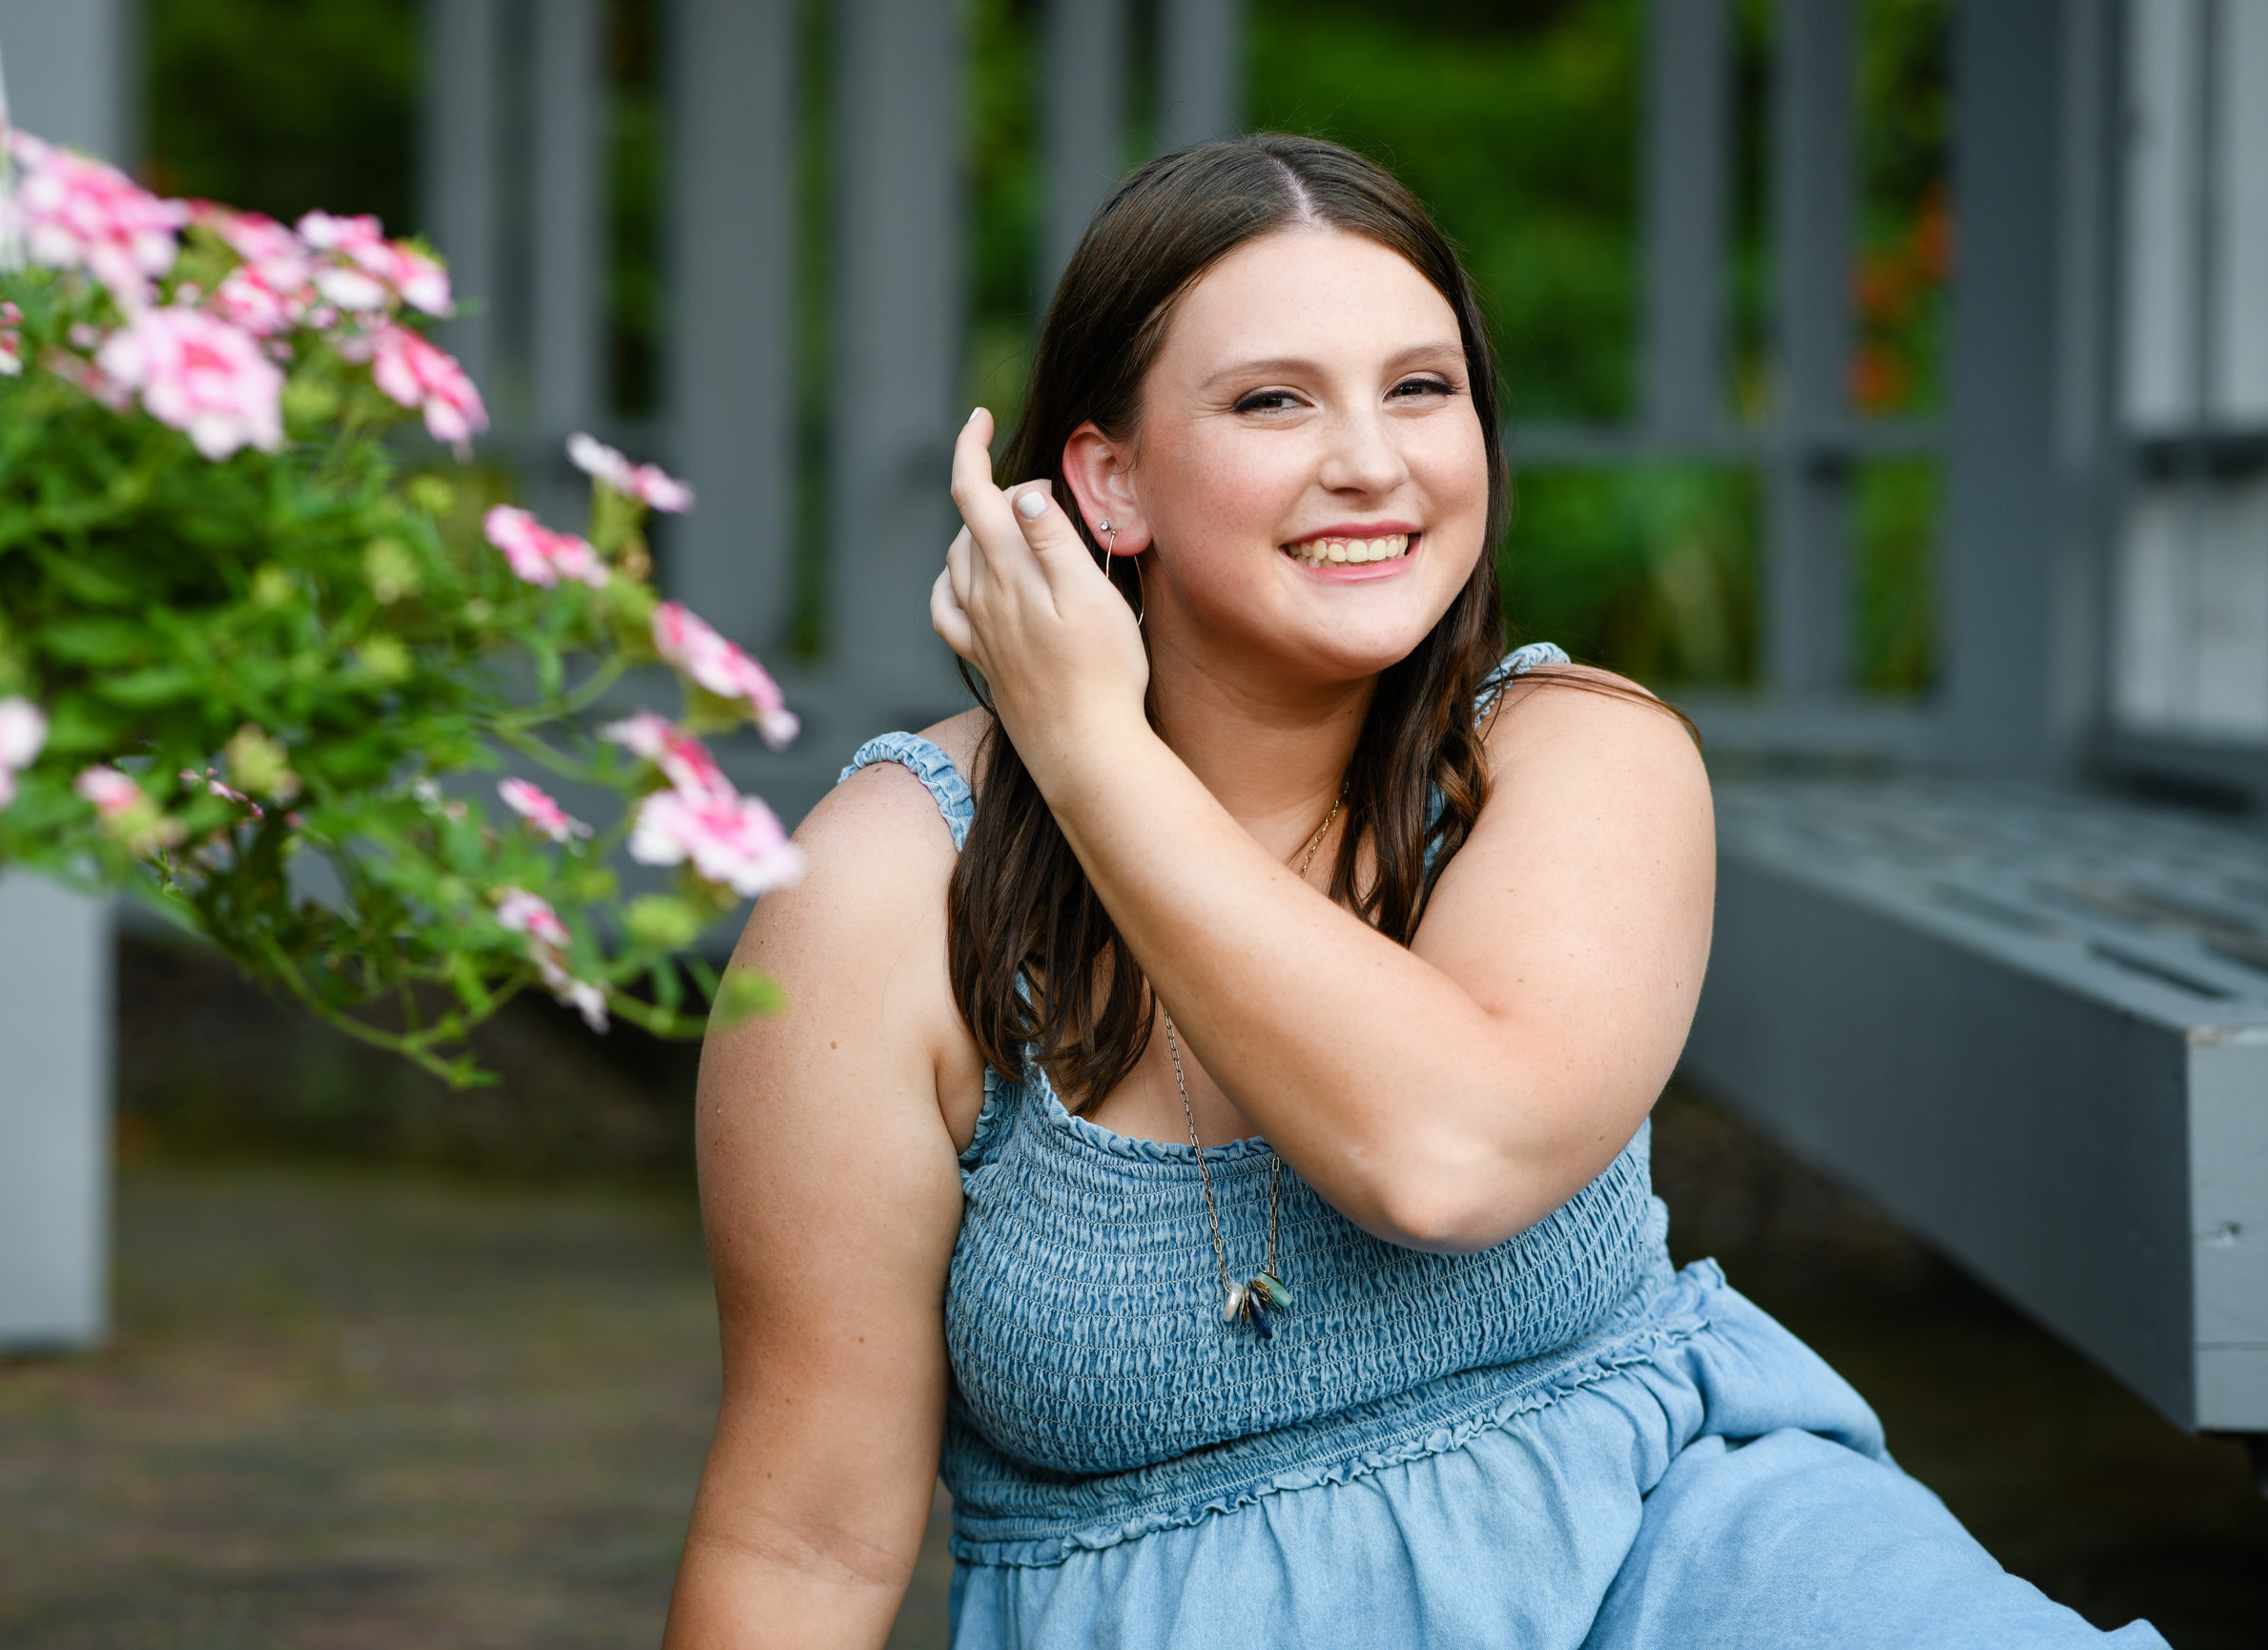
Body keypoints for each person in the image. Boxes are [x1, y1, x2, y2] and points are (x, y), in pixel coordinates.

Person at [662, 134, 2167, 1650]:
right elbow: (799, 1548)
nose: (1374, 460)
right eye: (1273, 399)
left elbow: (1446, 1158)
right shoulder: (886, 890)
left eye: (1422, 388)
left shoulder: (1577, 758)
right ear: (1105, 482)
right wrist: (1072, 755)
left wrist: (1088, 746)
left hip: (1690, 1559)